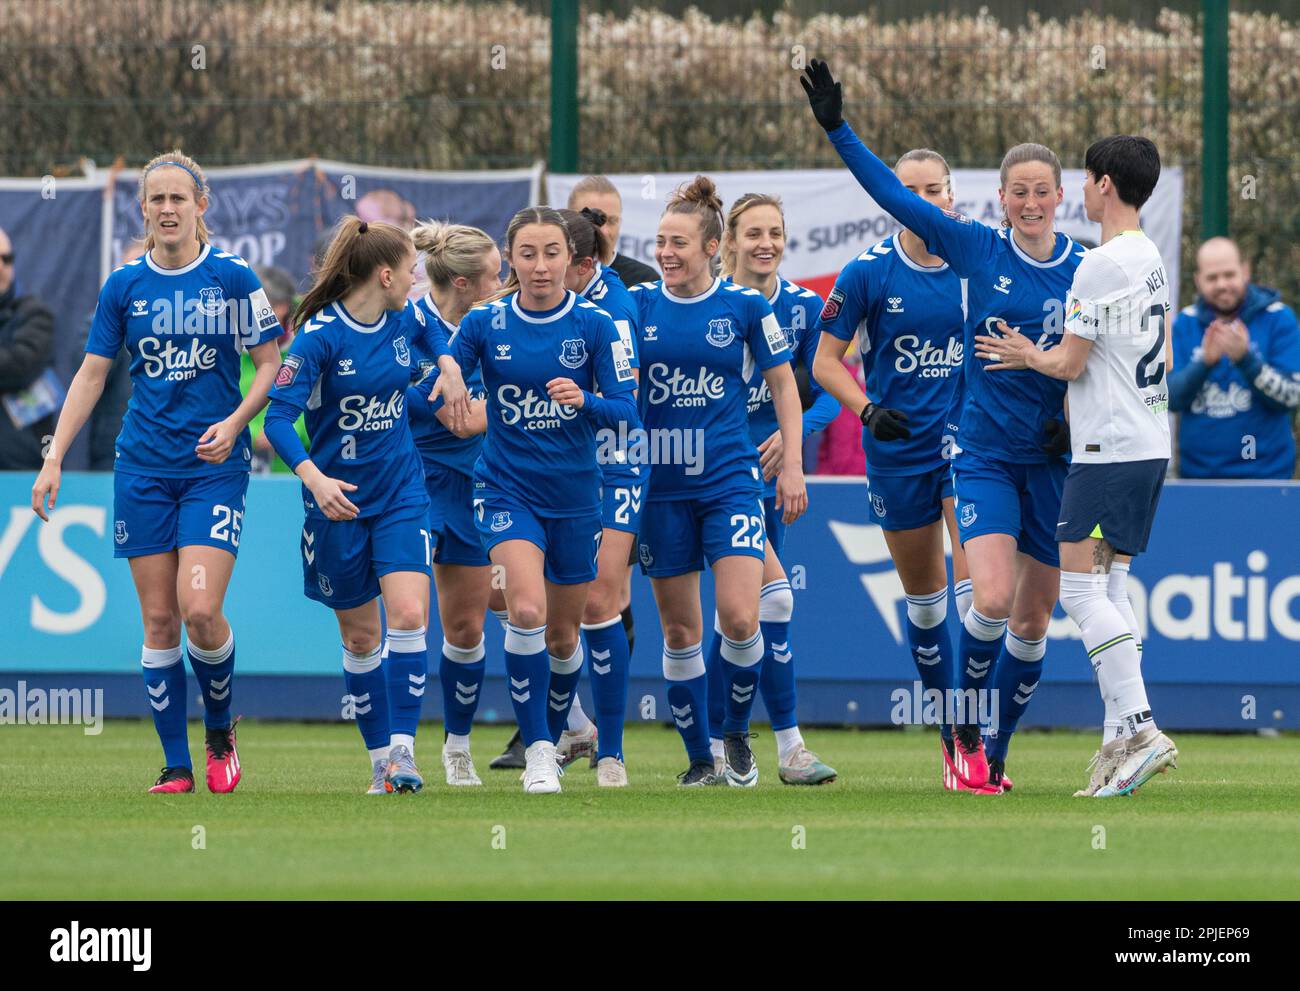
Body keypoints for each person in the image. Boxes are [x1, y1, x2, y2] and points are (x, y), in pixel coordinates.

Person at [802, 59, 1095, 792]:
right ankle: (960, 725)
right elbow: (883, 191)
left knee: (1033, 621)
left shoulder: (1089, 268)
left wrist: (1072, 411)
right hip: (976, 452)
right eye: (1018, 191)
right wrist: (837, 127)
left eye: (1041, 192)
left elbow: (1105, 361)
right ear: (1000, 200)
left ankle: (991, 746)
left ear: (1060, 198)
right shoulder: (972, 249)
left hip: (1052, 462)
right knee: (980, 600)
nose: (1029, 202)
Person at [31, 150, 285, 793]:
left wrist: (234, 427)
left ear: (202, 207)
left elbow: (271, 365)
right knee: (160, 622)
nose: (167, 209)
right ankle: (175, 766)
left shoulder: (231, 278)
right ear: (142, 210)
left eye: (179, 198)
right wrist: (54, 455)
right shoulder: (123, 286)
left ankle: (221, 731)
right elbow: (92, 374)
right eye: (157, 199)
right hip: (142, 469)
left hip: (212, 470)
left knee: (200, 609)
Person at [974, 134, 1179, 797]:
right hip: (1146, 445)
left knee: (1081, 592)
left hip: (1108, 453)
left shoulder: (1096, 266)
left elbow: (1068, 362)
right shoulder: (1147, 255)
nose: (1081, 192)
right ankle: (1119, 741)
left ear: (1104, 185)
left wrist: (1022, 352)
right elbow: (1165, 355)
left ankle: (1142, 729)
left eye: (1087, 179)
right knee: (1112, 589)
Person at [263, 215, 468, 796]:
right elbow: (278, 419)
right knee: (359, 640)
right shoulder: (319, 338)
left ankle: (403, 751)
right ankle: (380, 760)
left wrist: (449, 366)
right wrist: (315, 479)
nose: (417, 283)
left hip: (402, 492)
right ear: (384, 275)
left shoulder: (405, 320)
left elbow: (433, 337)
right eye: (411, 272)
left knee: (408, 617)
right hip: (338, 503)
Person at [449, 206, 639, 794]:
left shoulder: (598, 324)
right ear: (510, 259)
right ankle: (537, 752)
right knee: (524, 610)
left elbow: (628, 413)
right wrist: (451, 376)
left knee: (564, 637)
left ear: (572, 260)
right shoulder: (486, 323)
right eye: (527, 254)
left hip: (578, 498)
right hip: (506, 490)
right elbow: (447, 358)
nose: (538, 266)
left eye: (550, 253)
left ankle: (576, 737)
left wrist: (584, 400)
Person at [631, 176, 807, 787]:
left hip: (730, 481)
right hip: (660, 488)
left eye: (678, 242)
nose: (665, 253)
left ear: (712, 248)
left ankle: (734, 730)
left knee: (740, 617)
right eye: (659, 242)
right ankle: (699, 761)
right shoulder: (637, 305)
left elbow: (786, 385)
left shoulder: (746, 307)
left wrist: (792, 463)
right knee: (681, 629)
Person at [810, 150, 972, 790]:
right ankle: (951, 732)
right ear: (893, 196)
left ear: (952, 198)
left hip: (969, 448)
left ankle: (976, 733)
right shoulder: (868, 272)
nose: (925, 200)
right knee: (927, 605)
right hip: (897, 453)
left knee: (981, 595)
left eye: (936, 189)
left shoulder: (977, 262)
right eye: (911, 190)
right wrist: (867, 410)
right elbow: (826, 362)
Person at [710, 191, 840, 785]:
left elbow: (829, 389)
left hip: (766, 479)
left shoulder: (804, 308)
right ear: (730, 240)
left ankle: (730, 750)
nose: (766, 243)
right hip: (709, 476)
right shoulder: (707, 302)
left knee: (749, 615)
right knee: (751, 609)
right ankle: (770, 745)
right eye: (754, 232)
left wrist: (794, 445)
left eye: (776, 233)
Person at [406, 219, 504, 786]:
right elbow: (460, 421)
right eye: (497, 275)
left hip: (473, 487)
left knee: (467, 627)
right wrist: (528, 399)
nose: (507, 282)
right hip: (410, 483)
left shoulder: (500, 325)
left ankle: (457, 745)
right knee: (407, 617)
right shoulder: (410, 323)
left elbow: (469, 425)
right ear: (464, 283)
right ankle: (394, 748)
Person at [1169, 238, 1300, 479]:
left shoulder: (1279, 318)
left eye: (1229, 274)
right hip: (1197, 479)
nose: (1222, 284)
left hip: (1268, 477)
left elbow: (1291, 396)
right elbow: (1169, 398)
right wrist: (1204, 363)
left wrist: (1245, 359)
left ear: (1245, 271)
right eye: (1212, 278)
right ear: (1198, 281)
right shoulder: (1184, 323)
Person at [0, 225, 56, 470]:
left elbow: (19, 367)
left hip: (20, 467)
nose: (1, 266)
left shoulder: (34, 312)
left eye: (7, 258)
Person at [245, 265, 307, 473]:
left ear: (285, 307)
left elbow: (321, 407)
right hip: (239, 464)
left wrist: (285, 434)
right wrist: (249, 434)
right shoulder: (231, 344)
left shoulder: (308, 343)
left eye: (275, 306)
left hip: (292, 470)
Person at [567, 175, 659, 287]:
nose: (604, 231)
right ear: (570, 219)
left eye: (612, 221)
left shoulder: (645, 282)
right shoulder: (553, 277)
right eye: (593, 219)